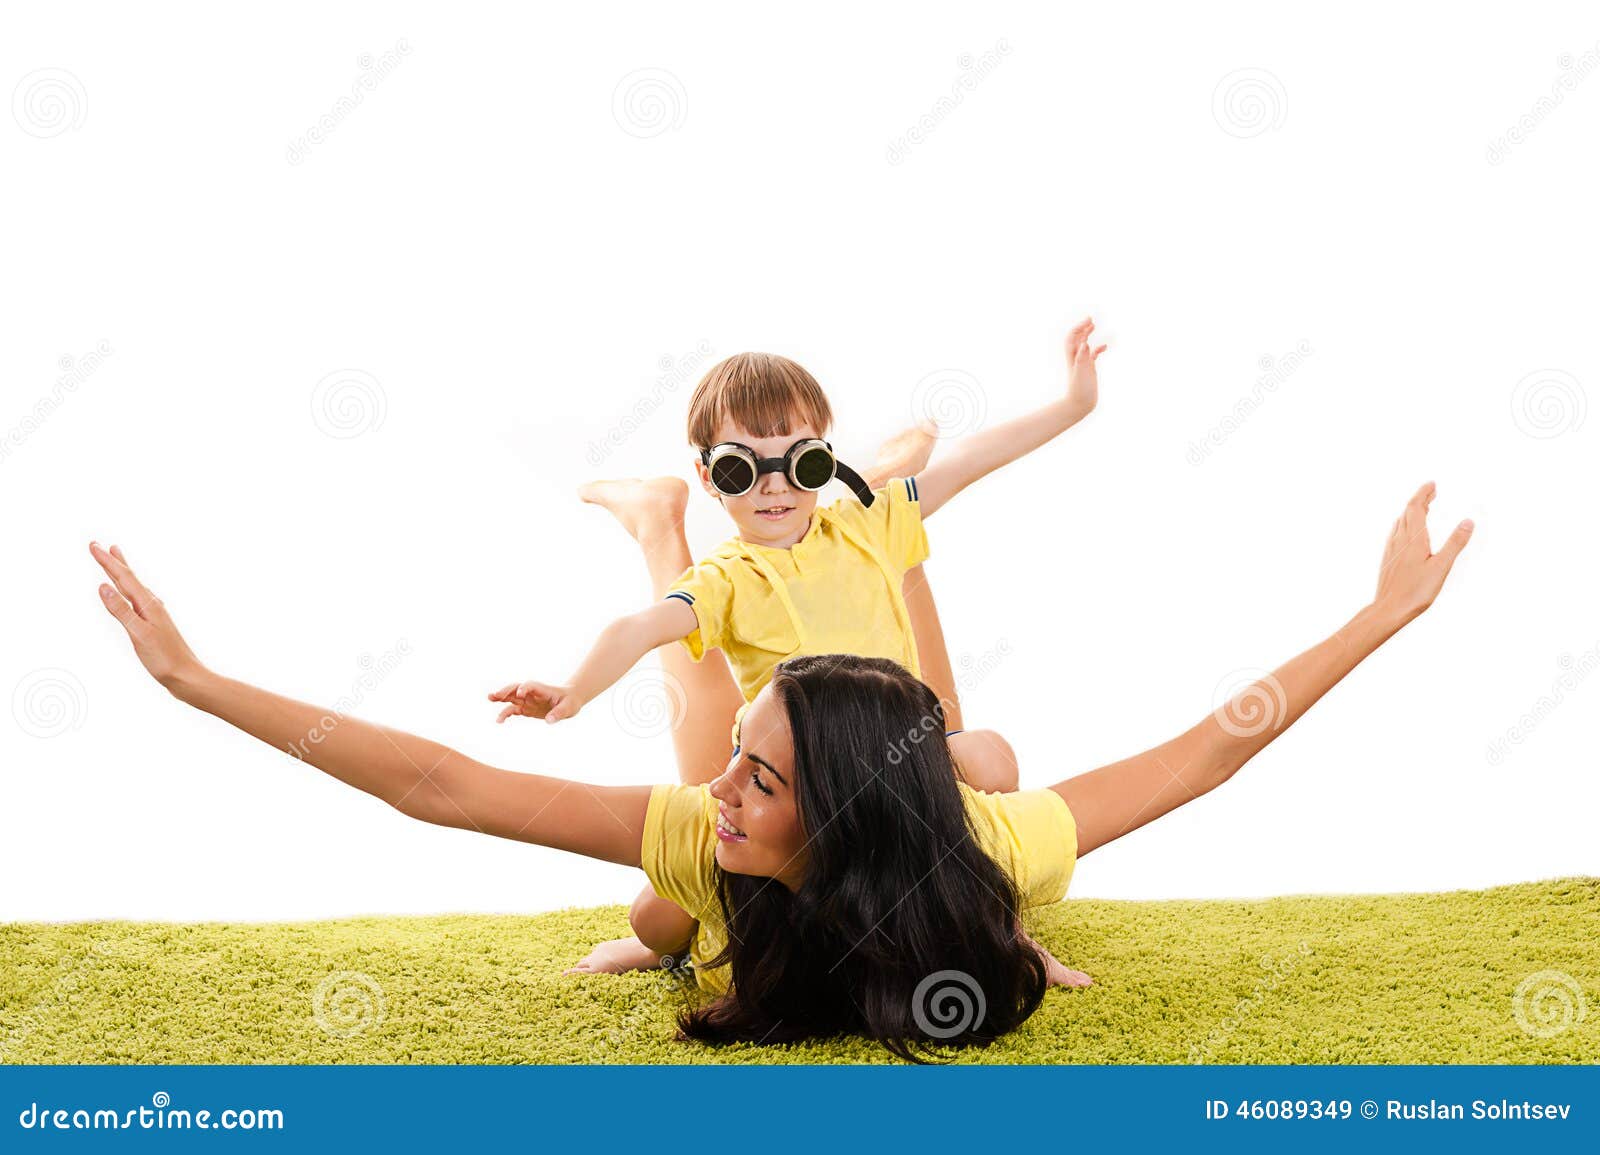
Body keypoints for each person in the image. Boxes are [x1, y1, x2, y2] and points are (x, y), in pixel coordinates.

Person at [88, 482, 1472, 1058]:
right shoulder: (707, 829)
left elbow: (1205, 750)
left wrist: (1385, 613)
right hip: (854, 818)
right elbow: (443, 783)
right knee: (690, 738)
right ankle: (661, 535)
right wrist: (196, 682)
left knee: (972, 741)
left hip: (944, 816)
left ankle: (884, 547)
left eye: (767, 782)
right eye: (748, 773)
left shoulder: (994, 845)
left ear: (858, 813)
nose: (723, 794)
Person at [489, 321, 1105, 975]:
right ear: (708, 477)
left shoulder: (870, 525)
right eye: (741, 469)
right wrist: (575, 689)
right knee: (657, 917)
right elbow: (643, 627)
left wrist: (1075, 402)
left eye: (802, 463)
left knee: (985, 760)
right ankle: (657, 946)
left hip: (890, 756)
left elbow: (973, 459)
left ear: (825, 459)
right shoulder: (726, 579)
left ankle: (1003, 934)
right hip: (790, 782)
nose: (775, 487)